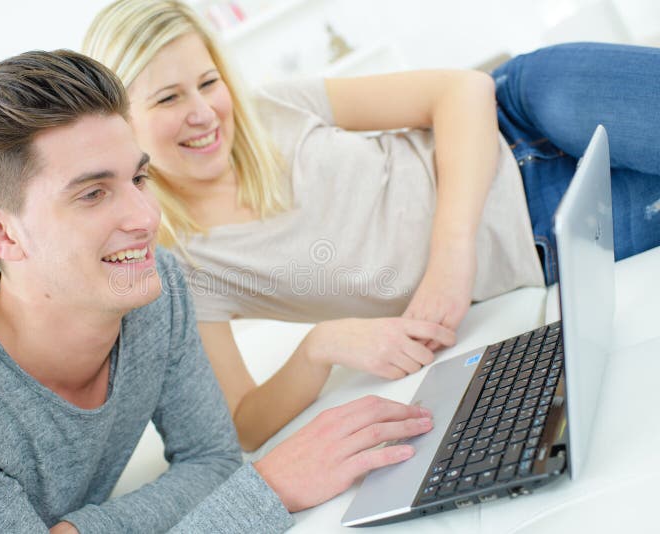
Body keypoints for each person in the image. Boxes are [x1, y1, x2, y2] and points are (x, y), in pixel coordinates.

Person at [0, 50, 434, 533]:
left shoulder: (156, 289)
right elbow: (237, 479)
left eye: (138, 178)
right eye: (92, 194)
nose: (145, 217)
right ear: (2, 233)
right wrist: (272, 487)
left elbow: (210, 462)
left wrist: (81, 529)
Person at [82, 0, 660, 451]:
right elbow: (246, 424)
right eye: (167, 98)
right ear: (118, 120)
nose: (204, 113)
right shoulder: (184, 265)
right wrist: (320, 346)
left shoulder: (271, 108)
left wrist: (450, 253)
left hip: (523, 108)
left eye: (208, 83)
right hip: (546, 235)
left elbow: (463, 88)